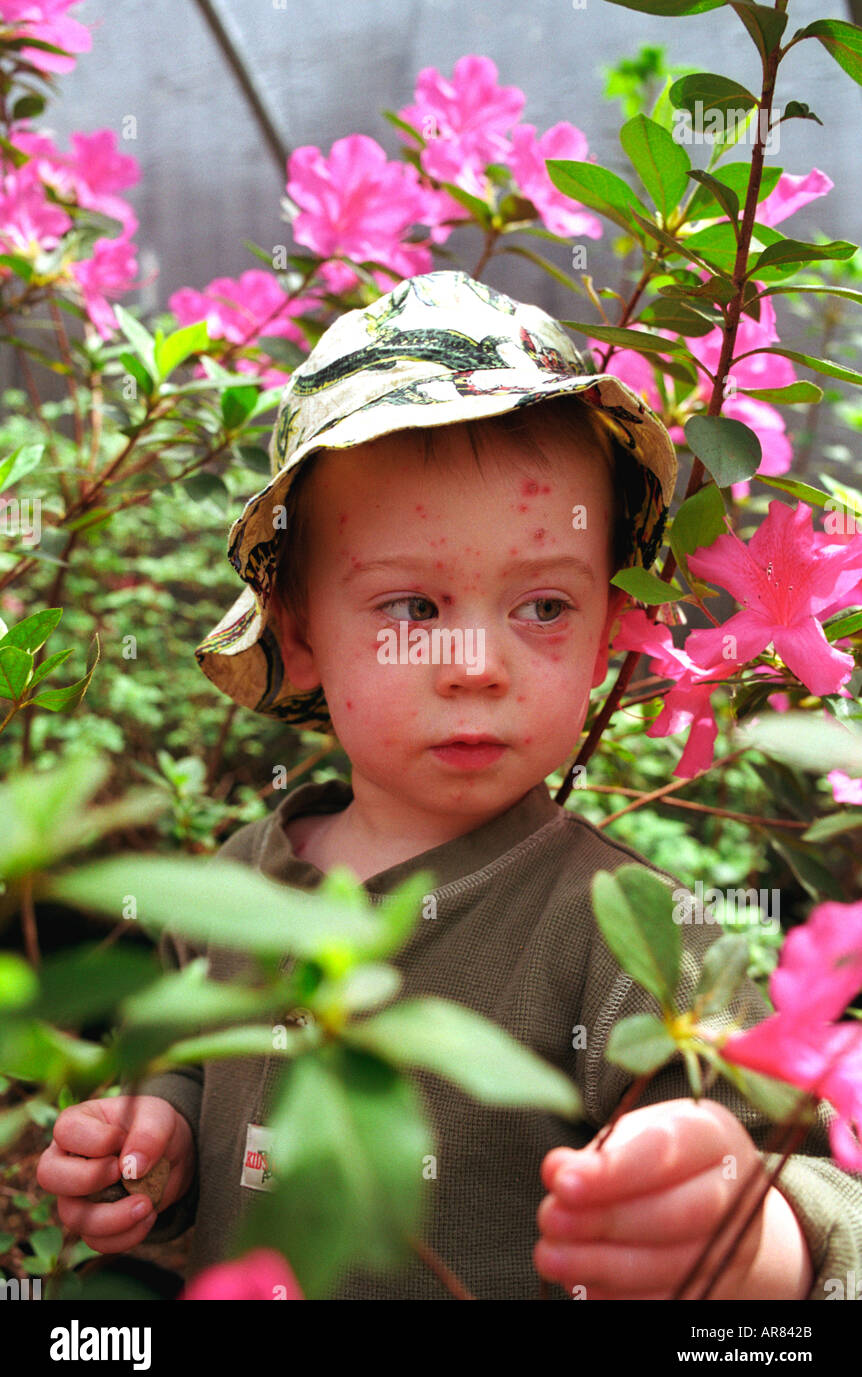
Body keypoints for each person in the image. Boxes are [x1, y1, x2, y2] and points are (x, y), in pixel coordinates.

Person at [38, 270, 862, 1299]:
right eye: (414, 604)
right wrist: (155, 1137)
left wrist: (747, 1243)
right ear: (299, 633)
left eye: (544, 606)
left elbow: (806, 1183)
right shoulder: (235, 883)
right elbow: (200, 1066)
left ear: (609, 630)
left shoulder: (640, 931)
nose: (477, 661)